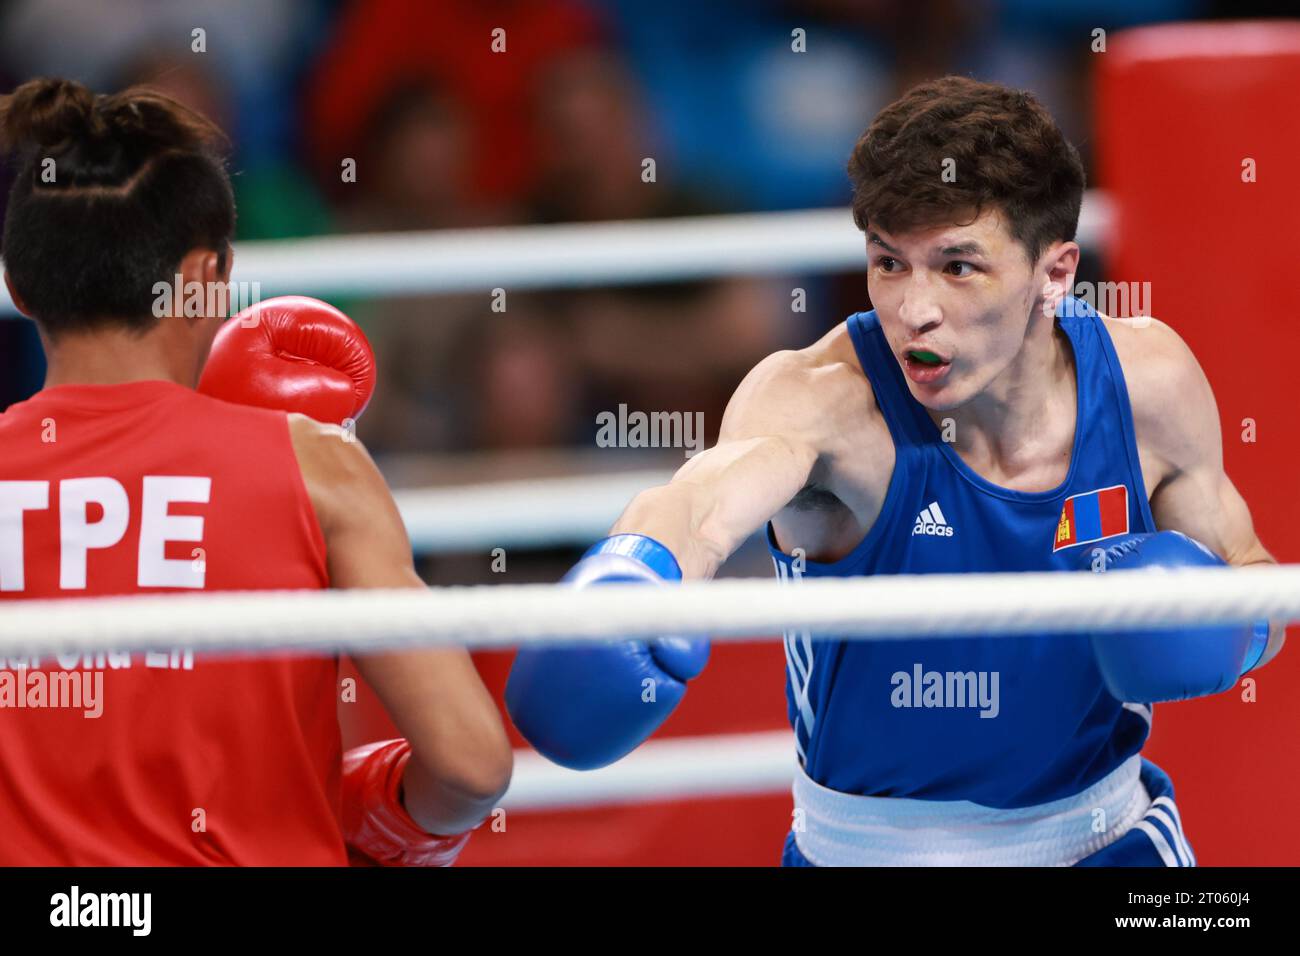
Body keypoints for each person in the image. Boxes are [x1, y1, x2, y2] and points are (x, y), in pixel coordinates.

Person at [505, 76, 1285, 867]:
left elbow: (1247, 569)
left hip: (1112, 838)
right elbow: (700, 502)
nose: (914, 309)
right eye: (889, 262)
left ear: (1055, 274)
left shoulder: (1147, 381)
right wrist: (635, 572)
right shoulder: (824, 401)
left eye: (957, 267)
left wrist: (1232, 635)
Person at [0, 78, 511, 865]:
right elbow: (472, 765)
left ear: (17, 285)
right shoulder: (315, 466)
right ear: (207, 278)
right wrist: (393, 826)